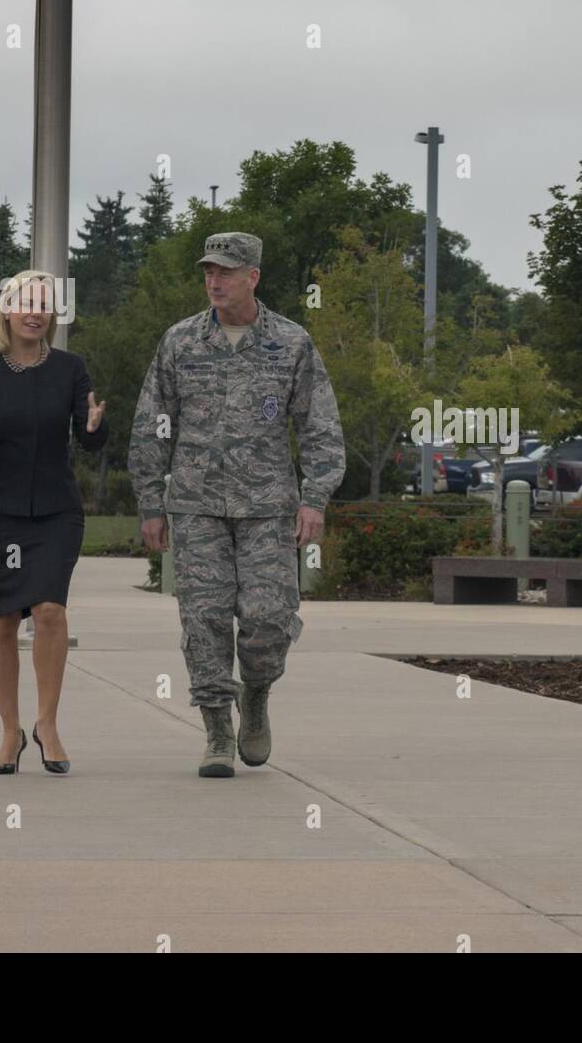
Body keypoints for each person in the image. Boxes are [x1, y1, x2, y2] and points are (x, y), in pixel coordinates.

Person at [129, 232, 344, 777]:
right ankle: (218, 730)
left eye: (225, 272)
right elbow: (153, 423)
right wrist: (151, 501)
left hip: (268, 508)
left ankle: (257, 693)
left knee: (268, 619)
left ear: (253, 277)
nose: (214, 281)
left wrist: (314, 498)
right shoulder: (180, 342)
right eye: (208, 271)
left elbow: (319, 427)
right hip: (196, 506)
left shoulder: (291, 344)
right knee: (203, 619)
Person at [0, 269, 107, 775]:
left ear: (52, 314)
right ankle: (10, 732)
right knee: (1, 621)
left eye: (43, 304)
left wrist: (93, 424)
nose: (34, 311)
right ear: (6, 309)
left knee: (49, 611)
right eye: (24, 302)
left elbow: (90, 442)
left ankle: (48, 725)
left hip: (54, 510)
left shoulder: (70, 368)